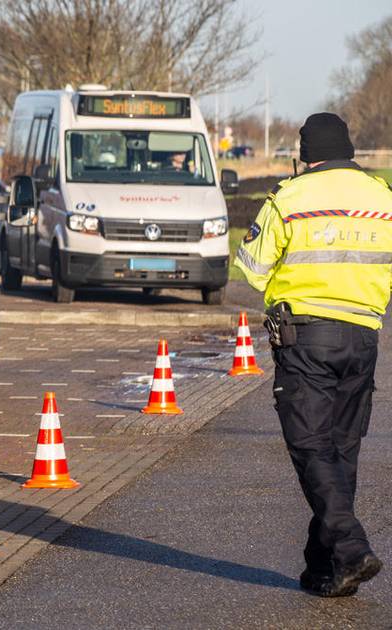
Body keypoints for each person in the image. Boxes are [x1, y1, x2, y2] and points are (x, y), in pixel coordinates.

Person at [234, 112, 390, 598]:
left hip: (306, 338)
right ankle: (326, 567)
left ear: (305, 155)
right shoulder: (383, 198)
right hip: (363, 337)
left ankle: (351, 547)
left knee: (310, 446)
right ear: (348, 150)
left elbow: (253, 269)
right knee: (341, 451)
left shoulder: (290, 197)